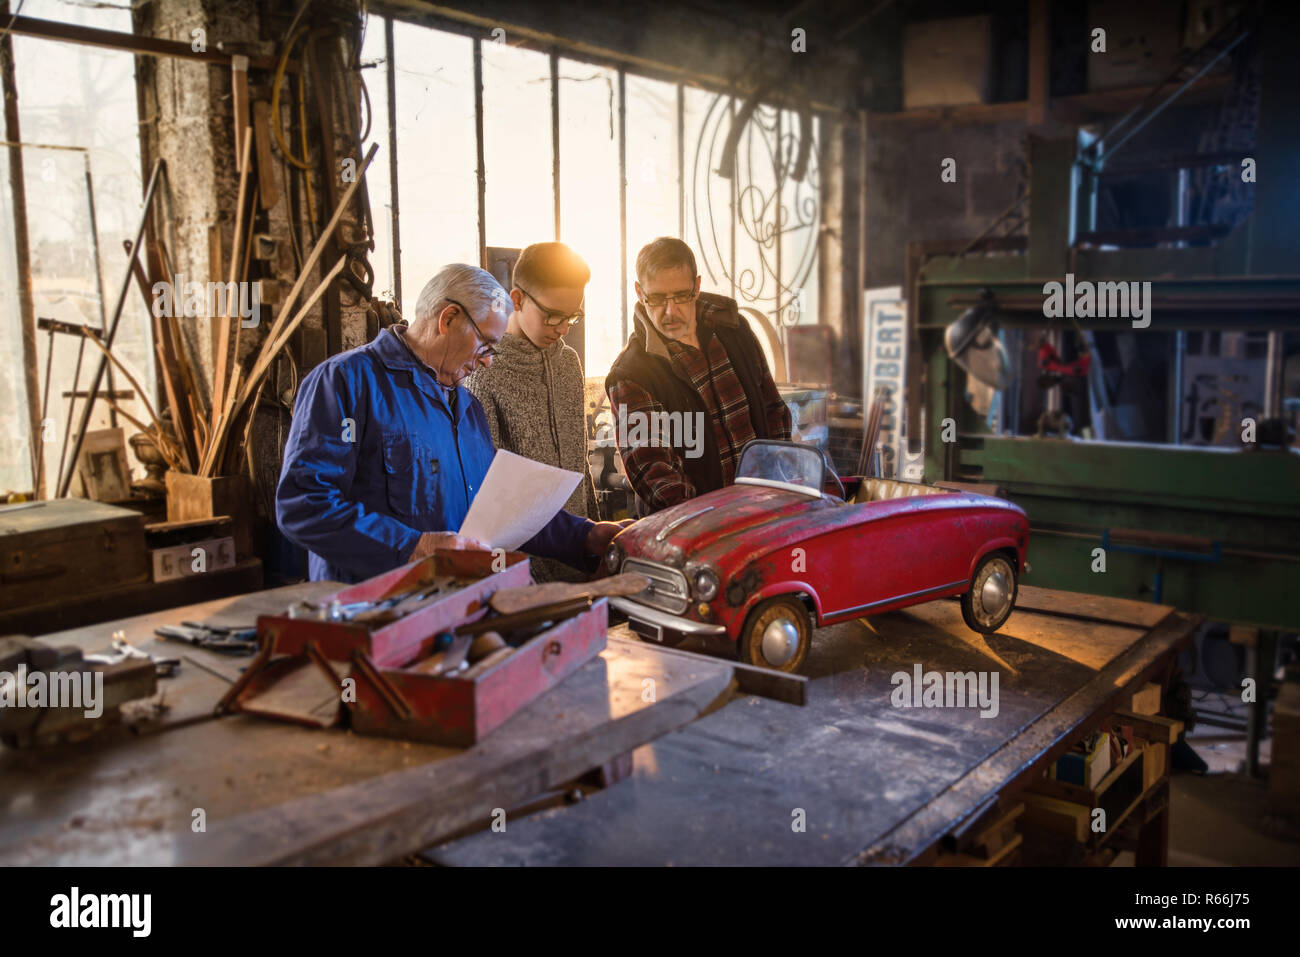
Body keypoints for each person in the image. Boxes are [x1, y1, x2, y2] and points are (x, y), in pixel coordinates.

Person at [275, 263, 623, 583]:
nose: (487, 363)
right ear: (449, 318)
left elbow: (499, 510)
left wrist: (583, 536)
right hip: (370, 613)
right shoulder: (346, 383)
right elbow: (304, 503)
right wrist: (413, 546)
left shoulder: (466, 408)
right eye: (485, 345)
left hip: (451, 606)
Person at [605, 237, 792, 514]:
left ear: (697, 287)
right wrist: (710, 520)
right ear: (639, 292)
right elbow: (654, 471)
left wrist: (781, 487)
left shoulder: (735, 332)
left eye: (681, 296)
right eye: (656, 298)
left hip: (761, 512)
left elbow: (773, 412)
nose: (670, 311)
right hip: (692, 531)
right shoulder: (632, 373)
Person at [467, 242, 598, 582]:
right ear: (518, 299)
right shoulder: (485, 372)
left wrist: (594, 537)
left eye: (573, 316)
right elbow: (489, 493)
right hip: (523, 568)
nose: (563, 328)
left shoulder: (569, 363)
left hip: (580, 554)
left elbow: (578, 461)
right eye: (553, 316)